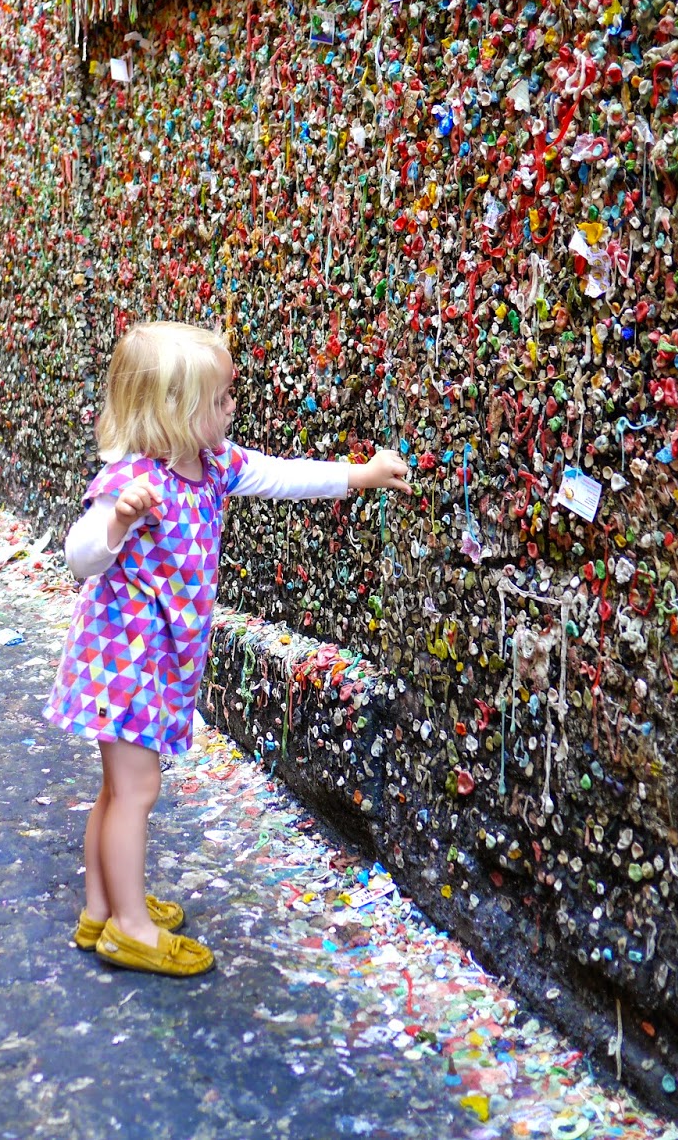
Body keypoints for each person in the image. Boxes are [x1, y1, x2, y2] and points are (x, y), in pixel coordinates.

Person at [47, 323, 411, 976]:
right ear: (176, 413)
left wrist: (359, 475)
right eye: (219, 400)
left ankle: (101, 909)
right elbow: (80, 556)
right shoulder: (133, 480)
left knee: (117, 790)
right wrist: (119, 520)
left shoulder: (213, 465)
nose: (231, 409)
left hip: (150, 665)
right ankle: (129, 928)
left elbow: (282, 477)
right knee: (134, 792)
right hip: (125, 666)